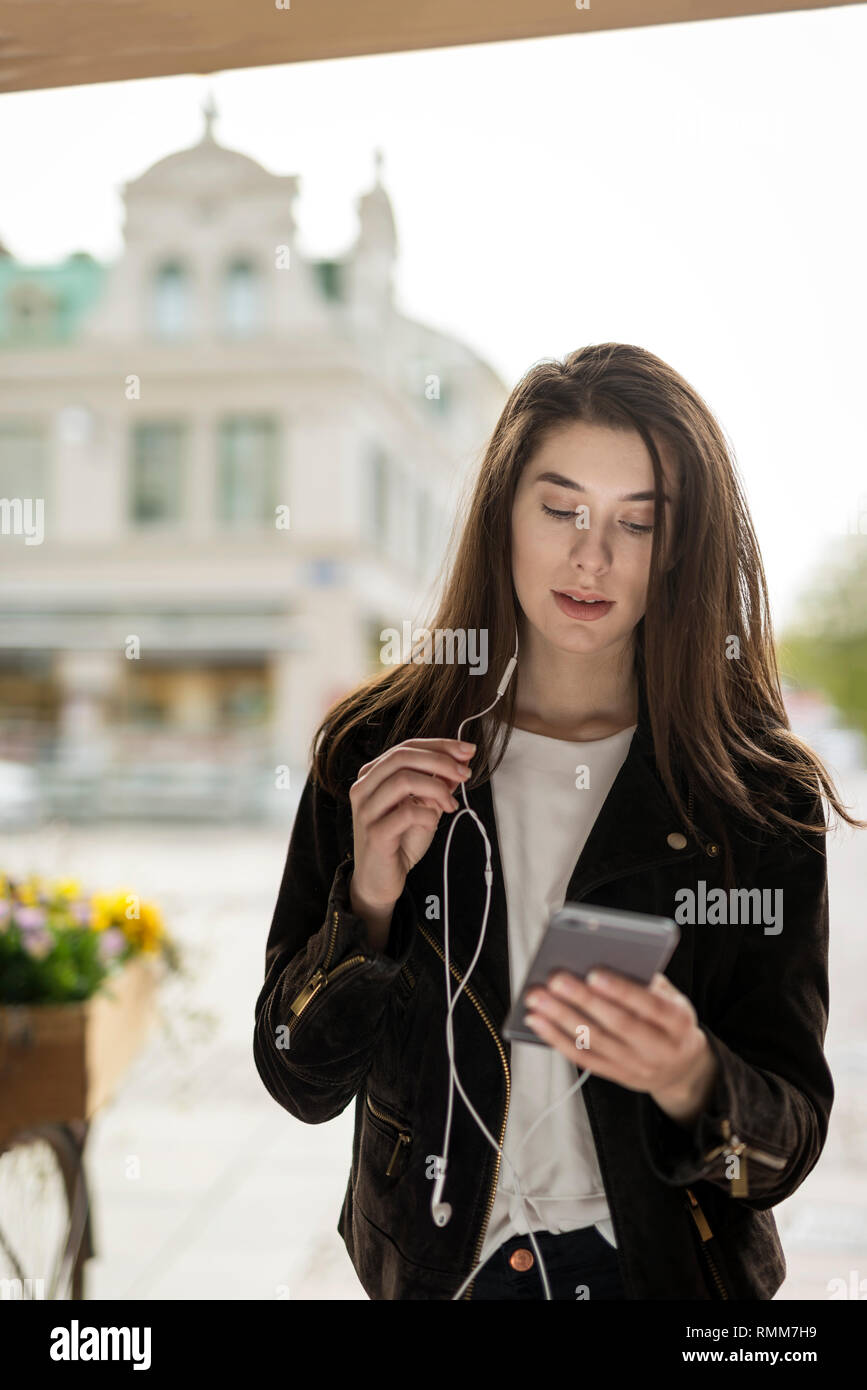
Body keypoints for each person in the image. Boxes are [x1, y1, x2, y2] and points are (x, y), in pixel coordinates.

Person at [253, 342, 864, 1300]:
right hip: (442, 1274)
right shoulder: (376, 748)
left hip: (664, 1273)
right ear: (503, 512)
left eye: (638, 523)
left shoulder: (753, 789)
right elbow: (298, 1081)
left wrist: (693, 1077)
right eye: (560, 508)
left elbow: (785, 1145)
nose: (592, 556)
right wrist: (366, 906)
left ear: (684, 546)